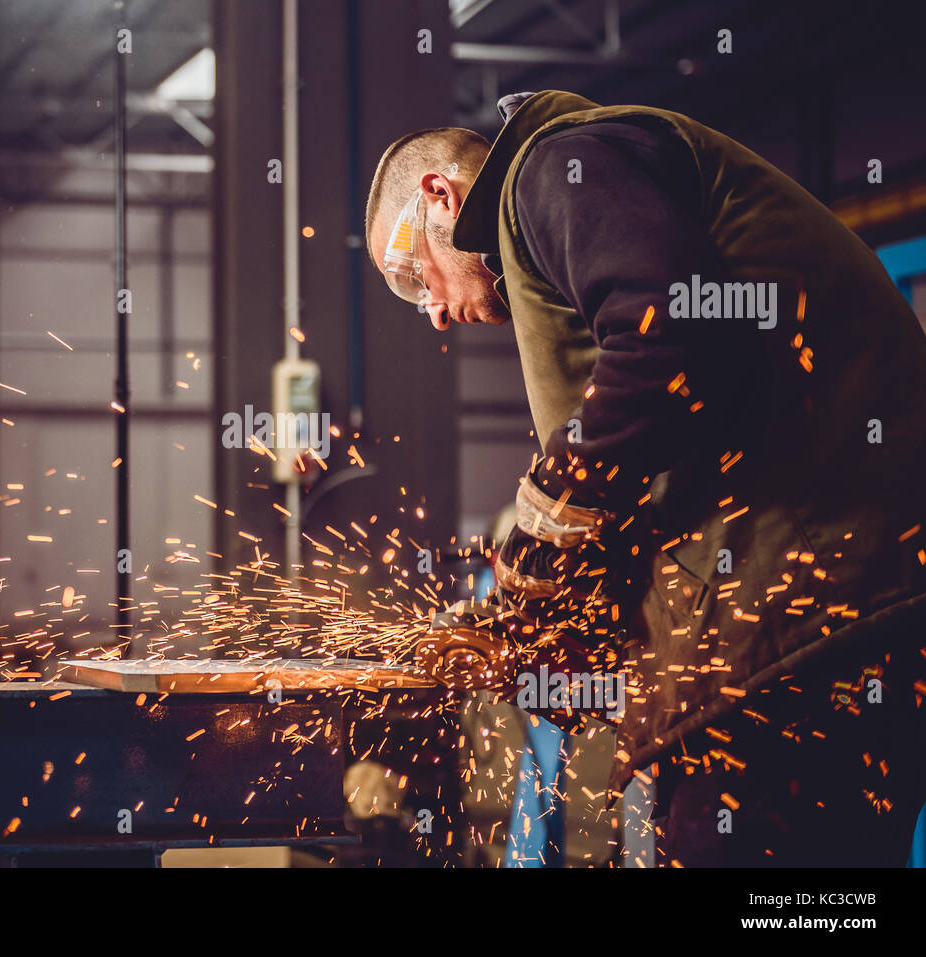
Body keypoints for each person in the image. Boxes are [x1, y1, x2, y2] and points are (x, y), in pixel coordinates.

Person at [368, 90, 926, 865]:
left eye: (412, 273)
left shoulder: (550, 167)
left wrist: (543, 523)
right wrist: (556, 630)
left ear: (439, 196)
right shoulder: (570, 213)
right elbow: (672, 434)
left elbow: (666, 335)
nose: (428, 307)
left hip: (804, 619)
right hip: (822, 613)